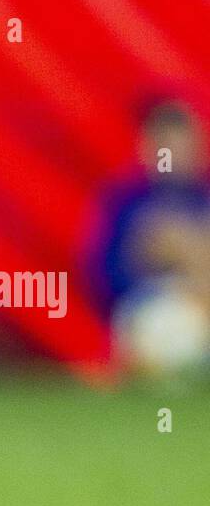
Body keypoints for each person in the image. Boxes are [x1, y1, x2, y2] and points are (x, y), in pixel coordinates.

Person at [92, 100, 210, 373]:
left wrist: (193, 255)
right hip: (152, 310)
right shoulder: (127, 204)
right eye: (165, 143)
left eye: (183, 142)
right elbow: (103, 276)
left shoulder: (204, 201)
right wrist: (146, 260)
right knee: (165, 327)